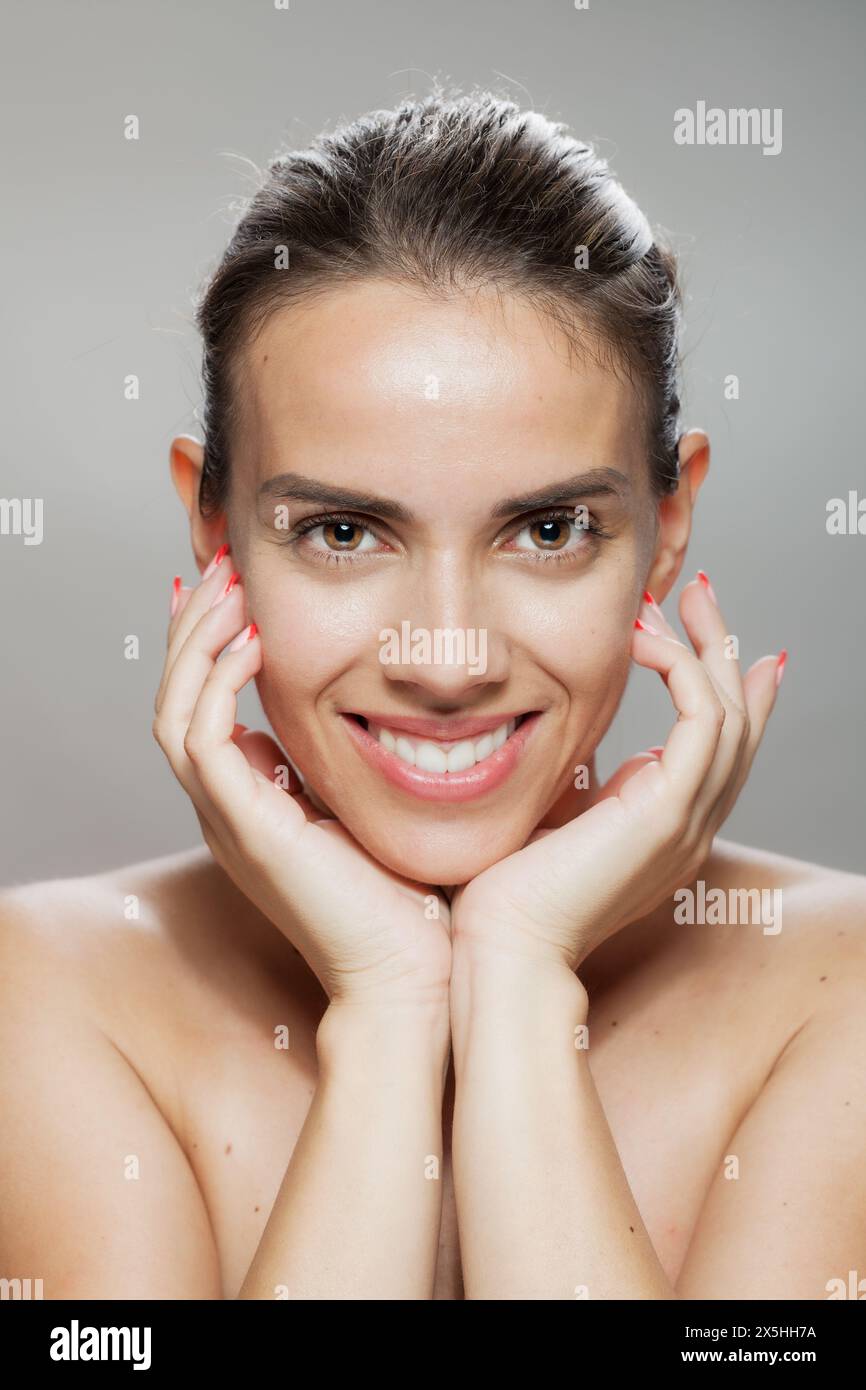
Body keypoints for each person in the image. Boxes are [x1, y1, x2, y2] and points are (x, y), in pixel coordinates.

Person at [2, 87, 864, 1302]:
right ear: (214, 530)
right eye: (345, 531)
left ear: (667, 527)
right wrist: (389, 1003)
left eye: (549, 527)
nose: (446, 655)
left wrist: (516, 975)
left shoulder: (842, 996)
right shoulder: (45, 992)